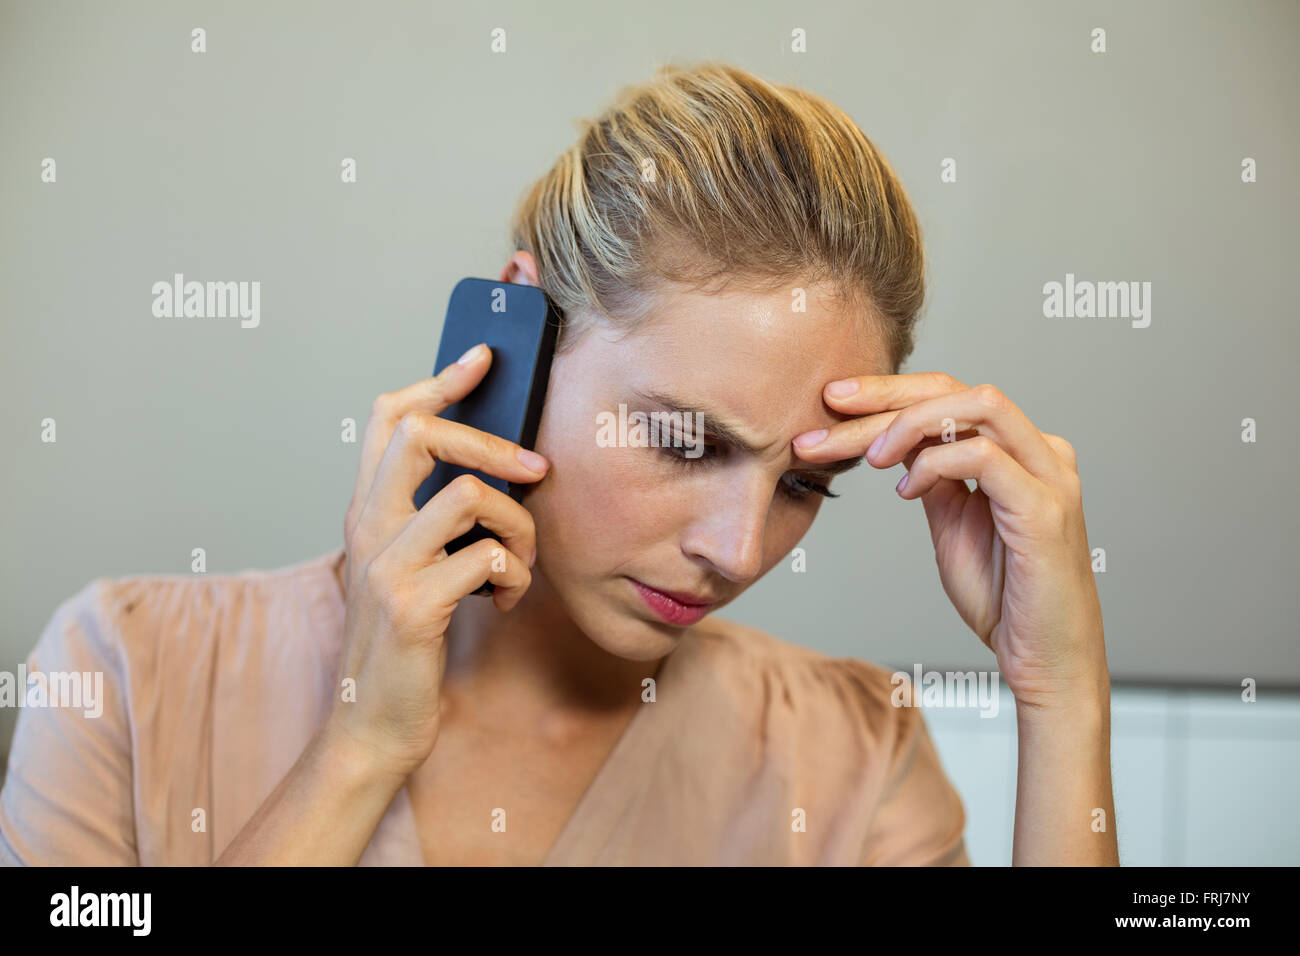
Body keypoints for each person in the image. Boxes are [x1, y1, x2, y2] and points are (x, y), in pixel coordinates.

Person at [0, 61, 1117, 866]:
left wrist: (1060, 695)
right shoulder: (126, 673)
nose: (735, 551)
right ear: (519, 335)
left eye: (800, 484)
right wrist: (357, 748)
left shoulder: (849, 756)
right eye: (685, 440)